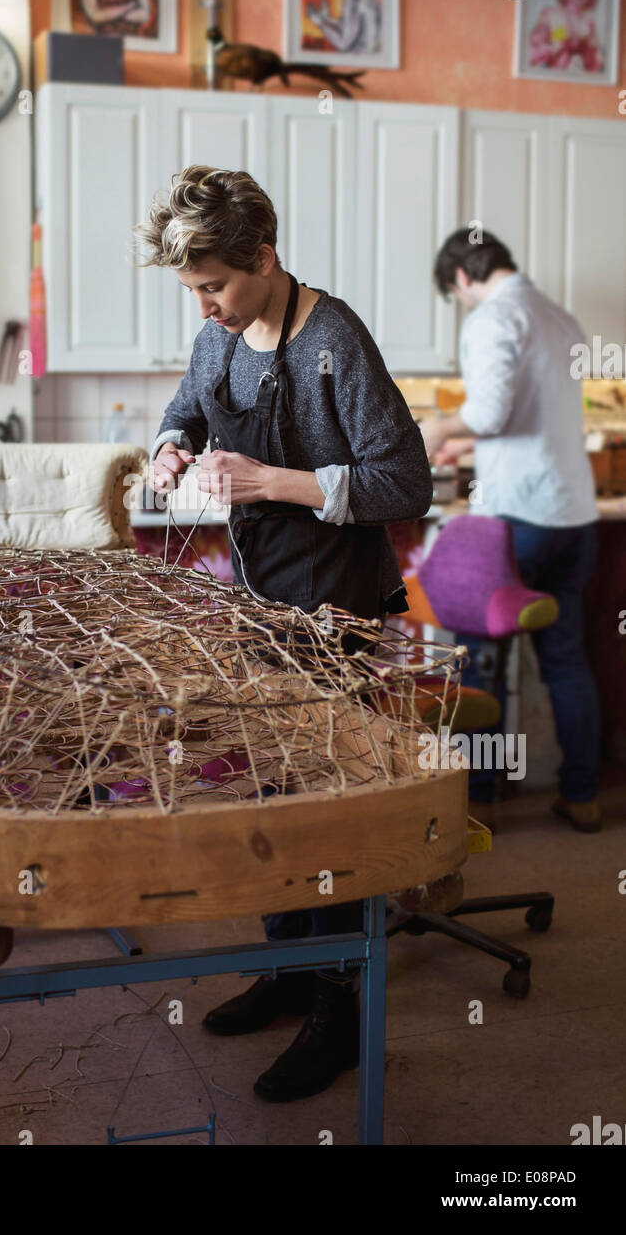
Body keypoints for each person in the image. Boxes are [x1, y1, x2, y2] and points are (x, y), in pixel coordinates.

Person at [131, 165, 433, 1102]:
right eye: (192, 290)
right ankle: (292, 973)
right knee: (271, 798)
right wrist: (169, 445)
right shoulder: (217, 336)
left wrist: (271, 482)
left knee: (330, 811)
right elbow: (188, 405)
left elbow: (403, 483)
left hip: (336, 612)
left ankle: (339, 1014)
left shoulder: (331, 341)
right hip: (258, 606)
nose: (205, 306)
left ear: (263, 256)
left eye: (215, 285)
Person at [420, 228, 601, 833]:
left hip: (516, 521)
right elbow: (531, 417)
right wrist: (471, 442)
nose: (462, 305)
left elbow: (492, 410)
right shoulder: (559, 317)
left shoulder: (492, 317)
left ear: (462, 279)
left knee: (479, 658)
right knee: (568, 662)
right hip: (572, 517)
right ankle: (581, 796)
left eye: (456, 295)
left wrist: (441, 430)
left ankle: (479, 795)